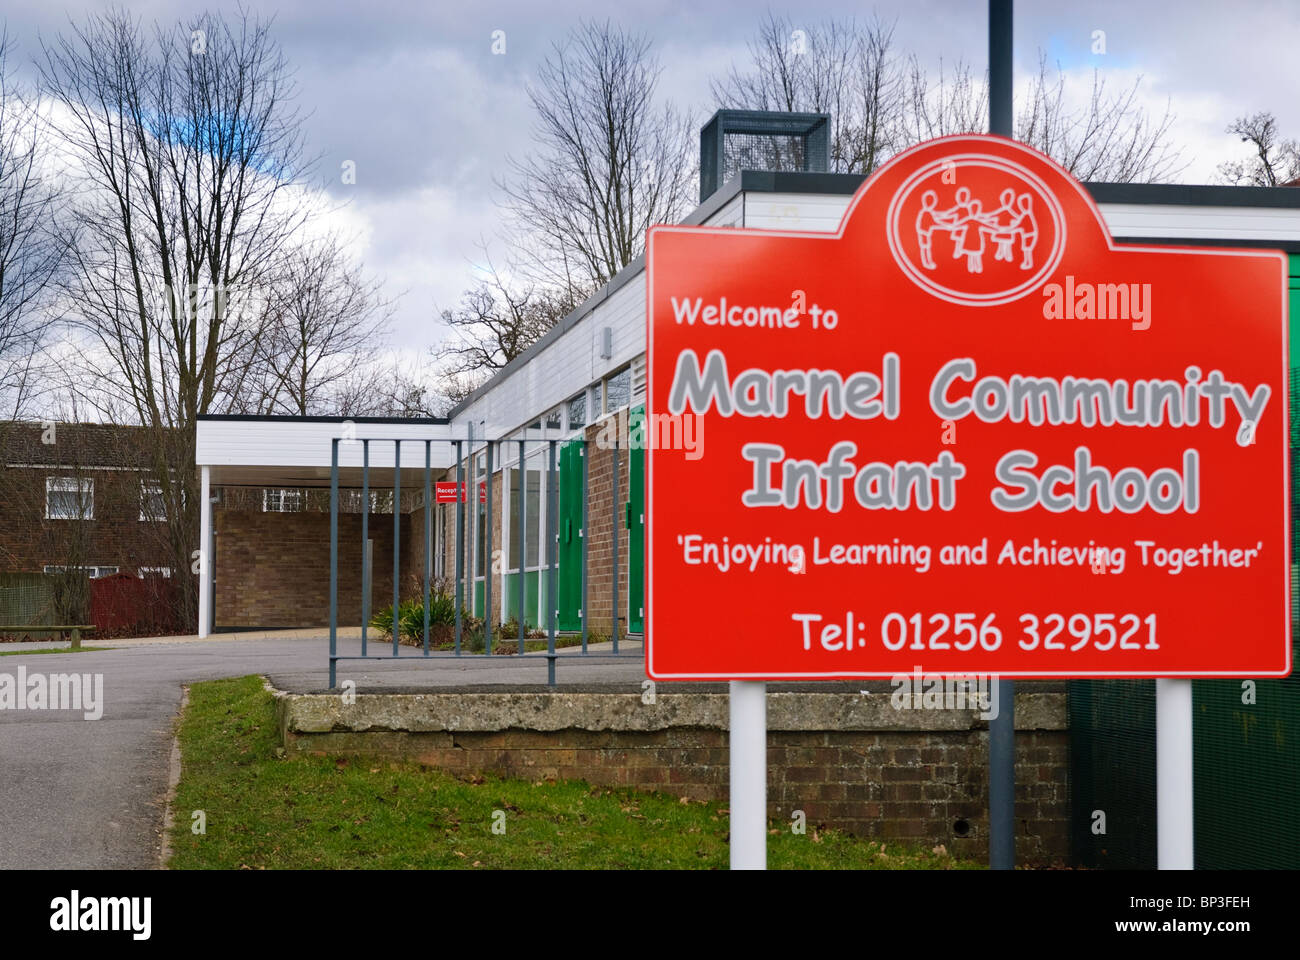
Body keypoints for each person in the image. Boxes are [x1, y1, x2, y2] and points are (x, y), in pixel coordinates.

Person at [914, 190, 953, 270]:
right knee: (925, 247)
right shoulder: (926, 212)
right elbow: (934, 222)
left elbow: (936, 215)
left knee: (925, 247)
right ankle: (927, 262)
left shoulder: (927, 211)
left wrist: (946, 217)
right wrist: (946, 226)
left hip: (925, 233)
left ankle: (927, 262)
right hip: (924, 233)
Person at [1013, 193, 1038, 269]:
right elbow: (1019, 223)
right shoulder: (1026, 214)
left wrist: (1008, 229)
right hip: (1027, 236)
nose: (1021, 207)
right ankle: (1027, 262)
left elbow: (1019, 225)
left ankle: (1027, 262)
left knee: (1027, 249)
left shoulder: (1026, 215)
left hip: (1028, 236)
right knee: (1026, 249)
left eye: (1022, 205)